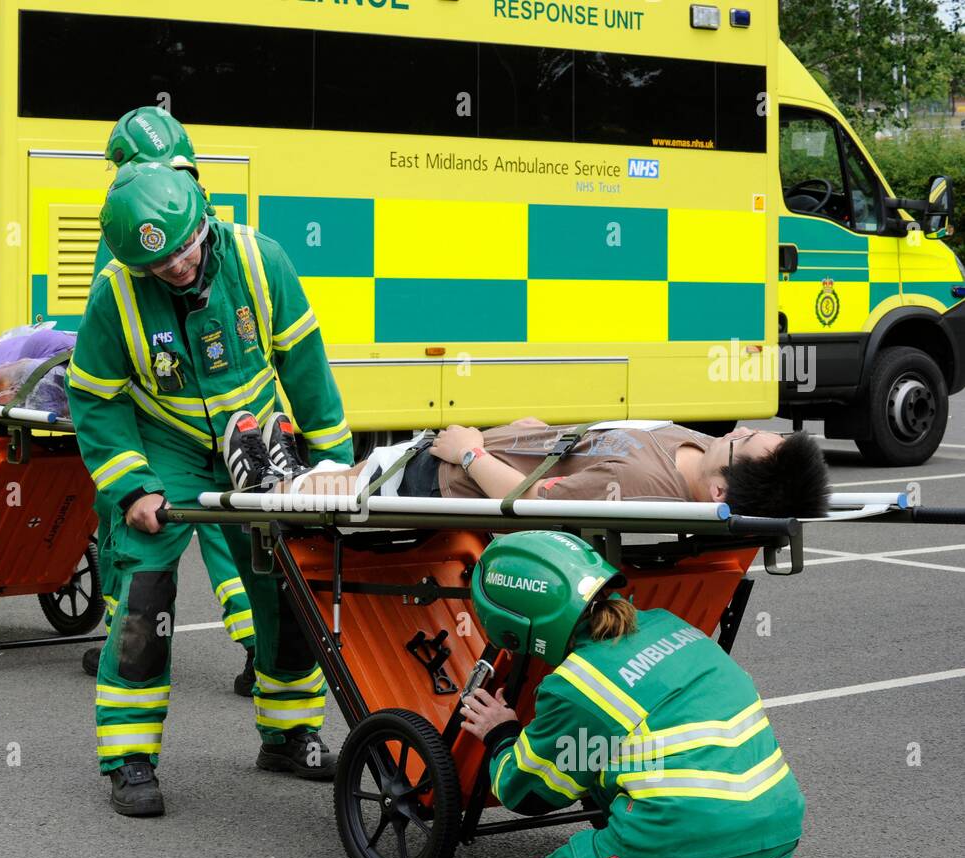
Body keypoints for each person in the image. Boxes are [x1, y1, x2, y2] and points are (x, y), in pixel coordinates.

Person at [66, 160, 354, 816]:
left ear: (205, 220)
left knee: (286, 580)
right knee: (145, 589)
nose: (179, 269)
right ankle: (129, 754)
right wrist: (133, 487)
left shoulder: (261, 260)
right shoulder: (115, 293)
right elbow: (95, 399)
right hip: (168, 449)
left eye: (187, 251)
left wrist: (333, 464)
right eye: (161, 265)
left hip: (256, 441)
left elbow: (306, 368)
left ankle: (288, 734)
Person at [457, 531, 805, 858]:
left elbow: (527, 793)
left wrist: (501, 732)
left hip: (676, 851)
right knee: (638, 766)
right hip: (773, 841)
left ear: (516, 623)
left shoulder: (577, 686)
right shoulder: (676, 628)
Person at [81, 106, 259, 697]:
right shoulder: (142, 250)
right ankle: (255, 646)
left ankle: (272, 682)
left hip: (197, 435)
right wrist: (132, 480)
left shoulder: (231, 252)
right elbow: (101, 376)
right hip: (178, 440)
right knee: (171, 562)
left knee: (241, 560)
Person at [246, 415, 831, 520]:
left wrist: (470, 453)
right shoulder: (694, 450)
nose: (749, 430)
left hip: (445, 477)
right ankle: (295, 470)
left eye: (751, 443)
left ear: (720, 491)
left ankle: (269, 483)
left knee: (346, 487)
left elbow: (531, 504)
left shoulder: (637, 488)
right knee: (359, 467)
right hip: (488, 449)